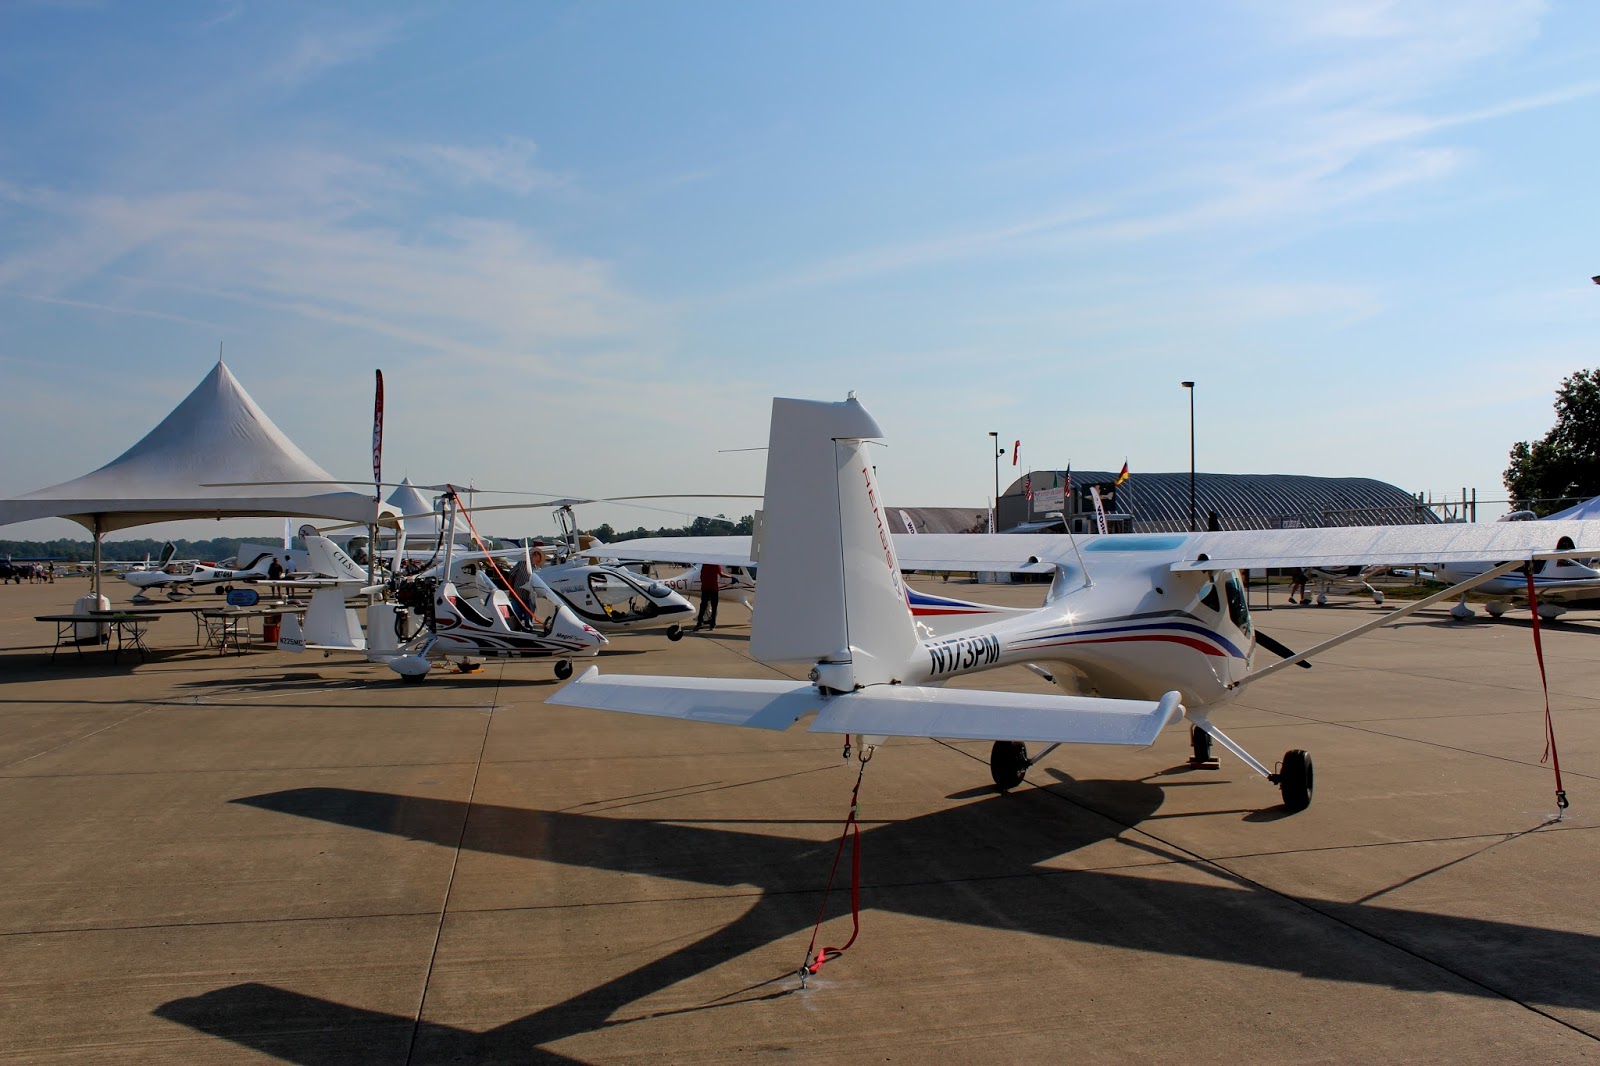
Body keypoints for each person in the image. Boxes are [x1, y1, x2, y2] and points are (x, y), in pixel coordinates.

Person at [695, 562, 722, 631]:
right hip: (713, 589)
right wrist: (731, 577)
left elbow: (701, 576)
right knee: (714, 607)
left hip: (705, 588)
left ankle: (699, 623)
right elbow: (721, 574)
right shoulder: (716, 564)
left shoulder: (704, 565)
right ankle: (712, 625)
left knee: (703, 606)